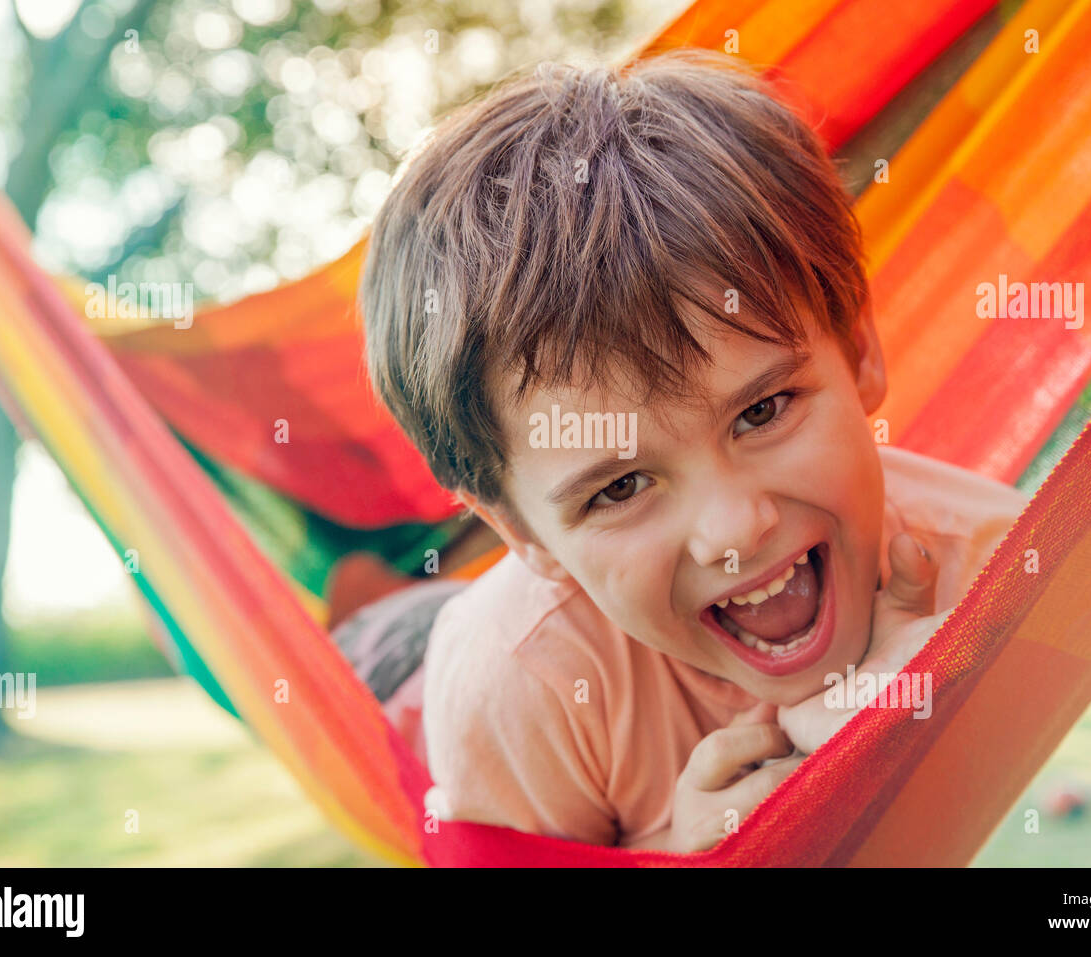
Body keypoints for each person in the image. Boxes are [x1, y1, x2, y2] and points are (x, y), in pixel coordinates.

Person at [351, 49, 1028, 851]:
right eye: (621, 485)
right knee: (361, 616)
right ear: (521, 533)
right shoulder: (517, 681)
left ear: (859, 351)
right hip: (399, 670)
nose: (735, 529)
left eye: (764, 410)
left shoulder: (1006, 569)